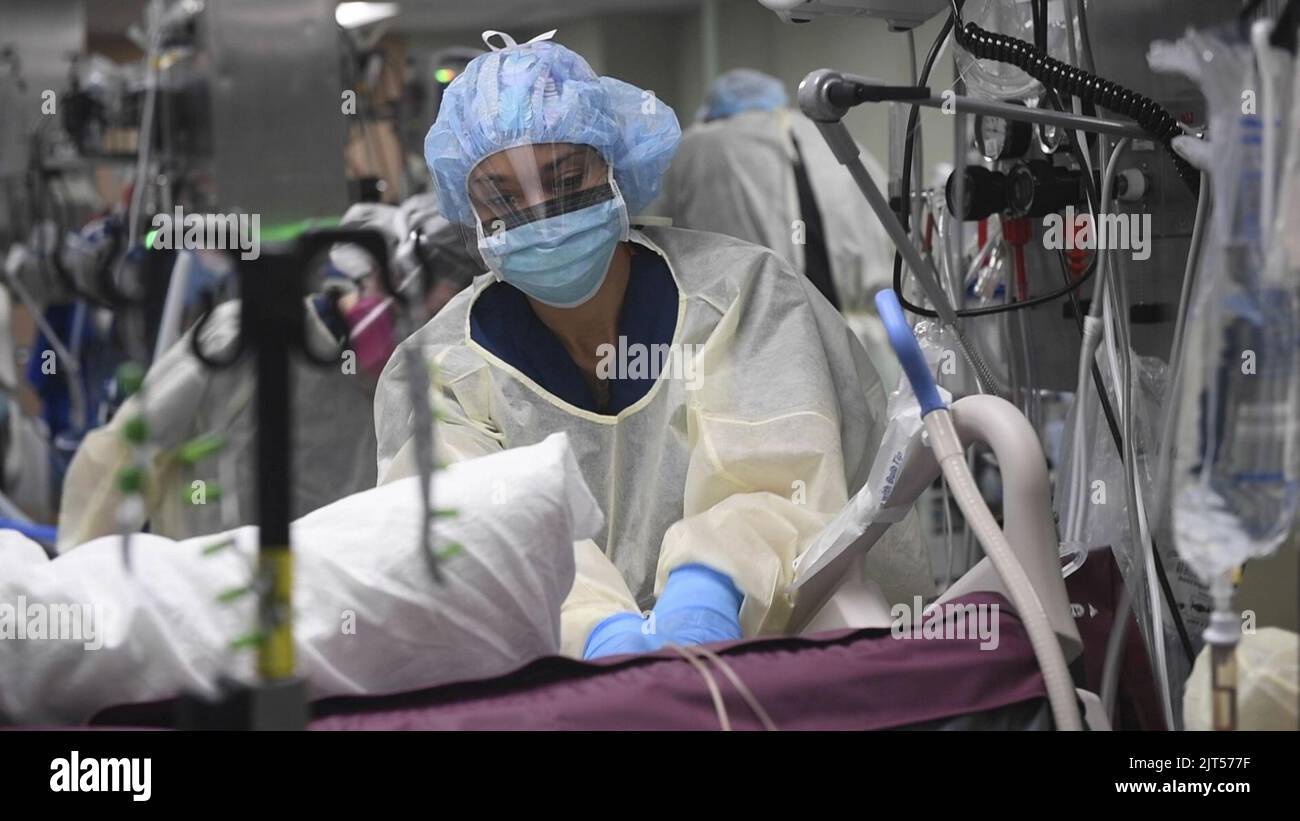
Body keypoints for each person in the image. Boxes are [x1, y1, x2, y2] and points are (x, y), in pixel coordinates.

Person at [376, 30, 930, 660]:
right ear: (469, 212)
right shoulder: (442, 368)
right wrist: (598, 632)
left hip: (773, 662)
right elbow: (474, 532)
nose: (541, 213)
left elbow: (781, 478)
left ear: (616, 168)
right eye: (502, 198)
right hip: (550, 679)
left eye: (564, 178)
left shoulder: (742, 294)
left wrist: (707, 595)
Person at [55, 197, 479, 552]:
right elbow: (120, 454)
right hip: (202, 599)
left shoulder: (416, 401)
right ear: (374, 272)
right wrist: (88, 590)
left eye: (433, 325)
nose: (409, 334)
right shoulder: (245, 335)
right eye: (406, 304)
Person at [654, 68, 899, 384]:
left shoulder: (698, 149)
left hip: (763, 353)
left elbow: (660, 242)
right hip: (871, 348)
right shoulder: (833, 136)